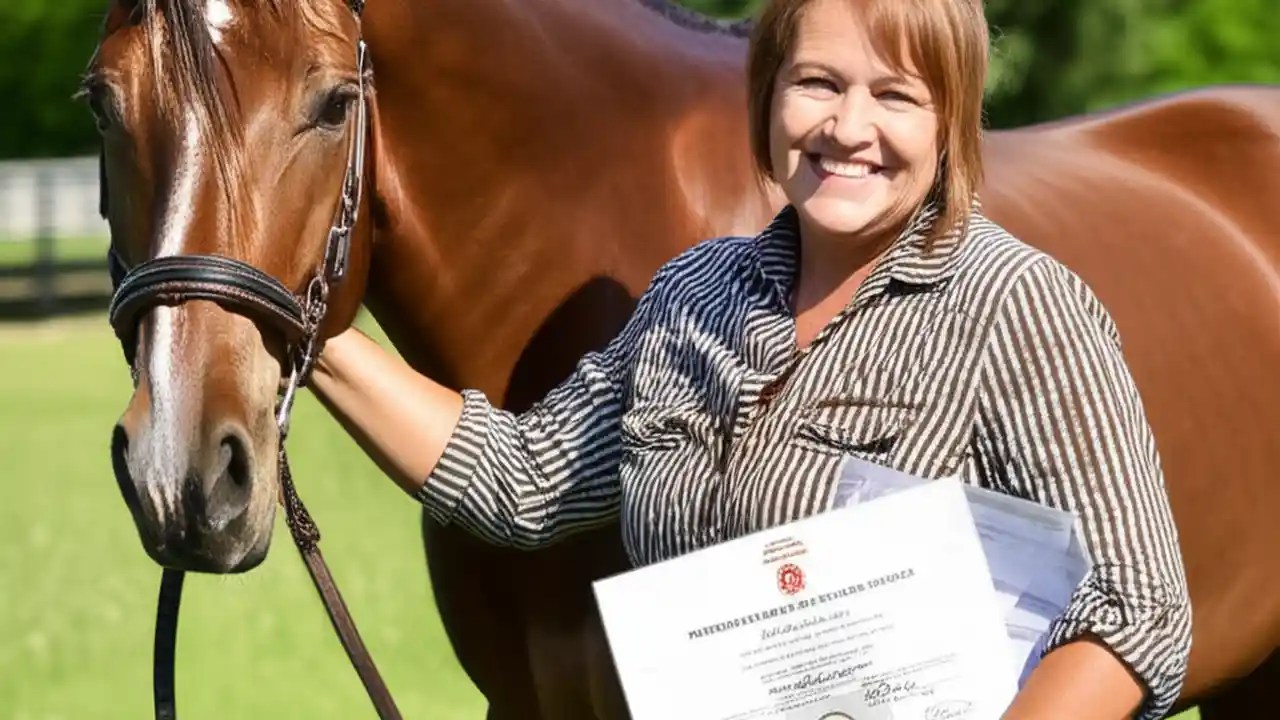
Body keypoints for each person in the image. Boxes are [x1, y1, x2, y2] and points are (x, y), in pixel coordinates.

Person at [308, 0, 1192, 717]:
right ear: (768, 96)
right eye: (817, 83)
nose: (849, 127)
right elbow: (523, 479)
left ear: (949, 122)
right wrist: (298, 325)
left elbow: (1137, 609)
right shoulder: (694, 294)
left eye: (895, 96)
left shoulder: (1019, 305)